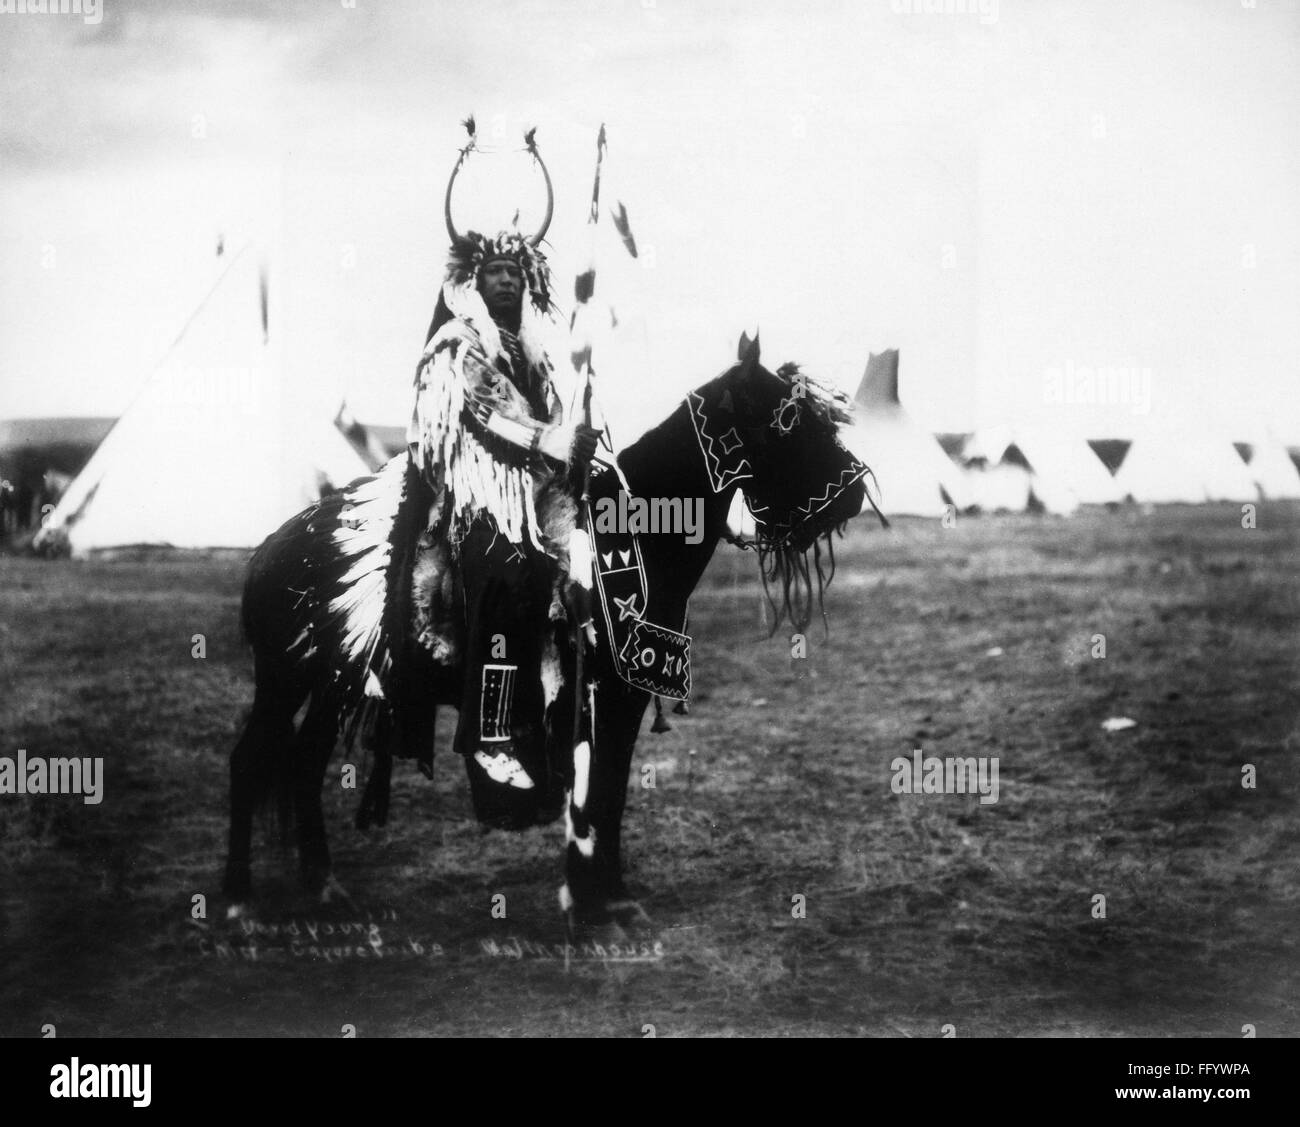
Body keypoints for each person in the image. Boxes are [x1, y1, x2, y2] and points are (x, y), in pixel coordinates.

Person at [409, 140, 599, 828]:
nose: (506, 283)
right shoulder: (460, 346)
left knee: (587, 571)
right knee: (504, 574)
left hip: (538, 498)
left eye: (515, 273)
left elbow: (557, 418)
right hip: (481, 498)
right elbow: (491, 419)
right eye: (493, 273)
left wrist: (581, 433)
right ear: (472, 282)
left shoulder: (539, 349)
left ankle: (561, 727)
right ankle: (487, 736)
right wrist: (554, 439)